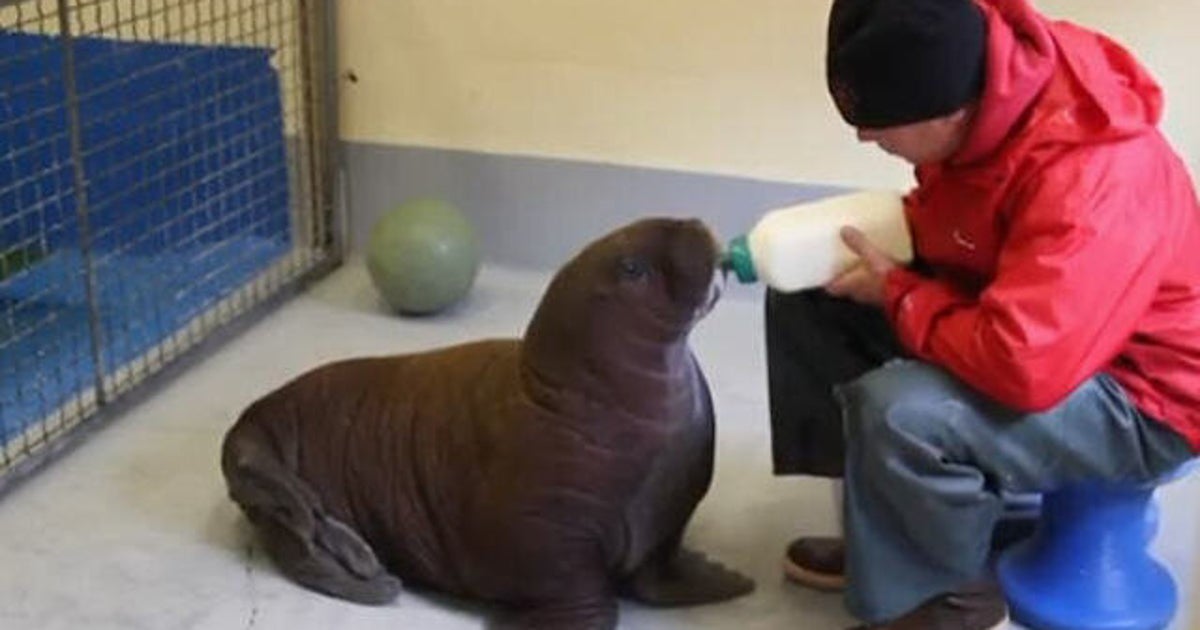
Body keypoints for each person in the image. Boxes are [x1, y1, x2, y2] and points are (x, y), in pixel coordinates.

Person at [765, 0, 1200, 627]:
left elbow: (1023, 366)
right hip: (1045, 321)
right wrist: (895, 260)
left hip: (1147, 399)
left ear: (952, 112)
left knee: (901, 413)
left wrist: (904, 294)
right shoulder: (985, 70)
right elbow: (977, 211)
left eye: (881, 122)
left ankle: (945, 600)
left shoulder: (1093, 175)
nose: (866, 136)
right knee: (814, 286)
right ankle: (884, 541)